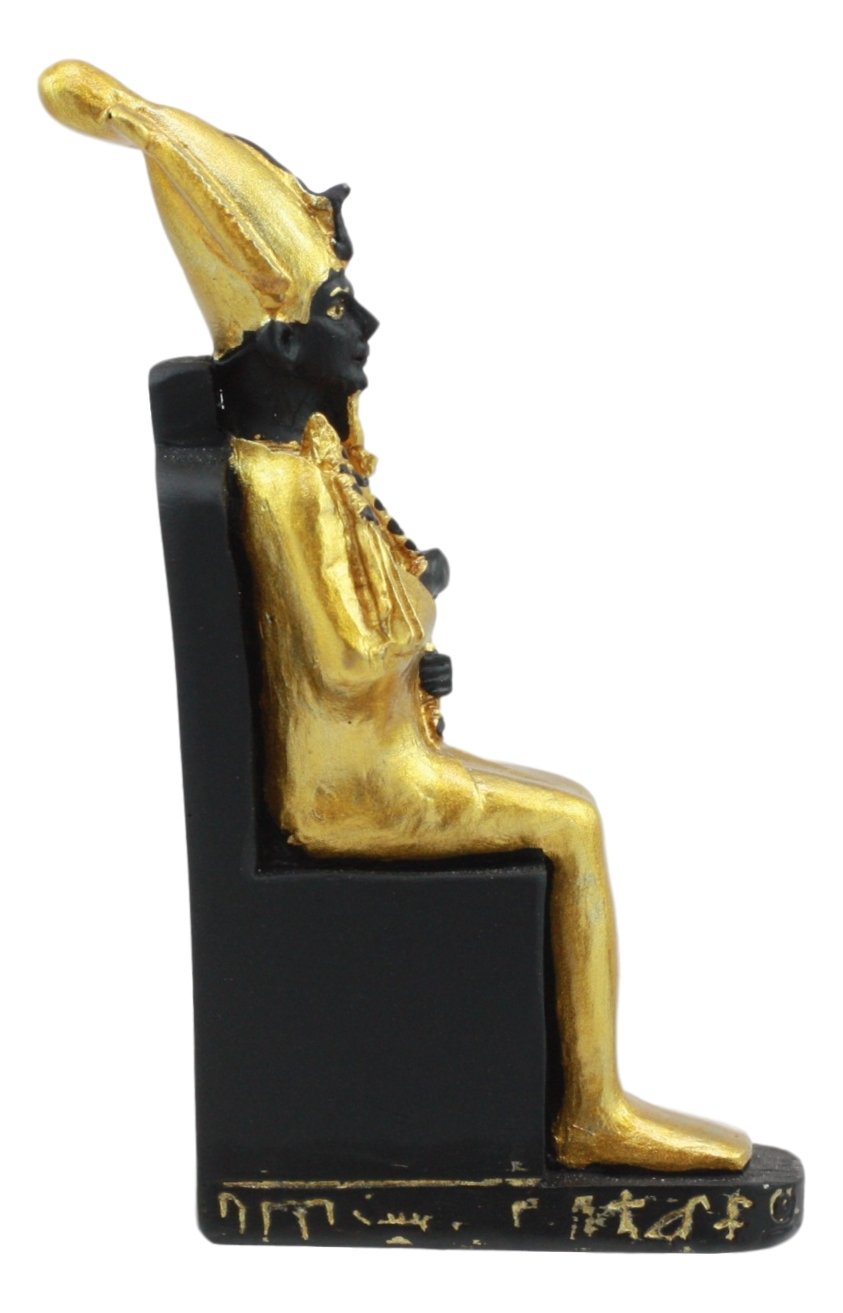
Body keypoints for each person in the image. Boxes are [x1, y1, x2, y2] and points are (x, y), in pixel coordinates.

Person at [40, 60, 750, 1173]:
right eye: (337, 308)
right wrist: (418, 607)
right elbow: (338, 659)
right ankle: (590, 1109)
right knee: (573, 822)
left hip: (371, 753)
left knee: (566, 808)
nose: (364, 322)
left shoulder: (310, 464)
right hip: (348, 789)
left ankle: (589, 1099)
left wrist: (412, 643)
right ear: (284, 341)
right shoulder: (280, 483)